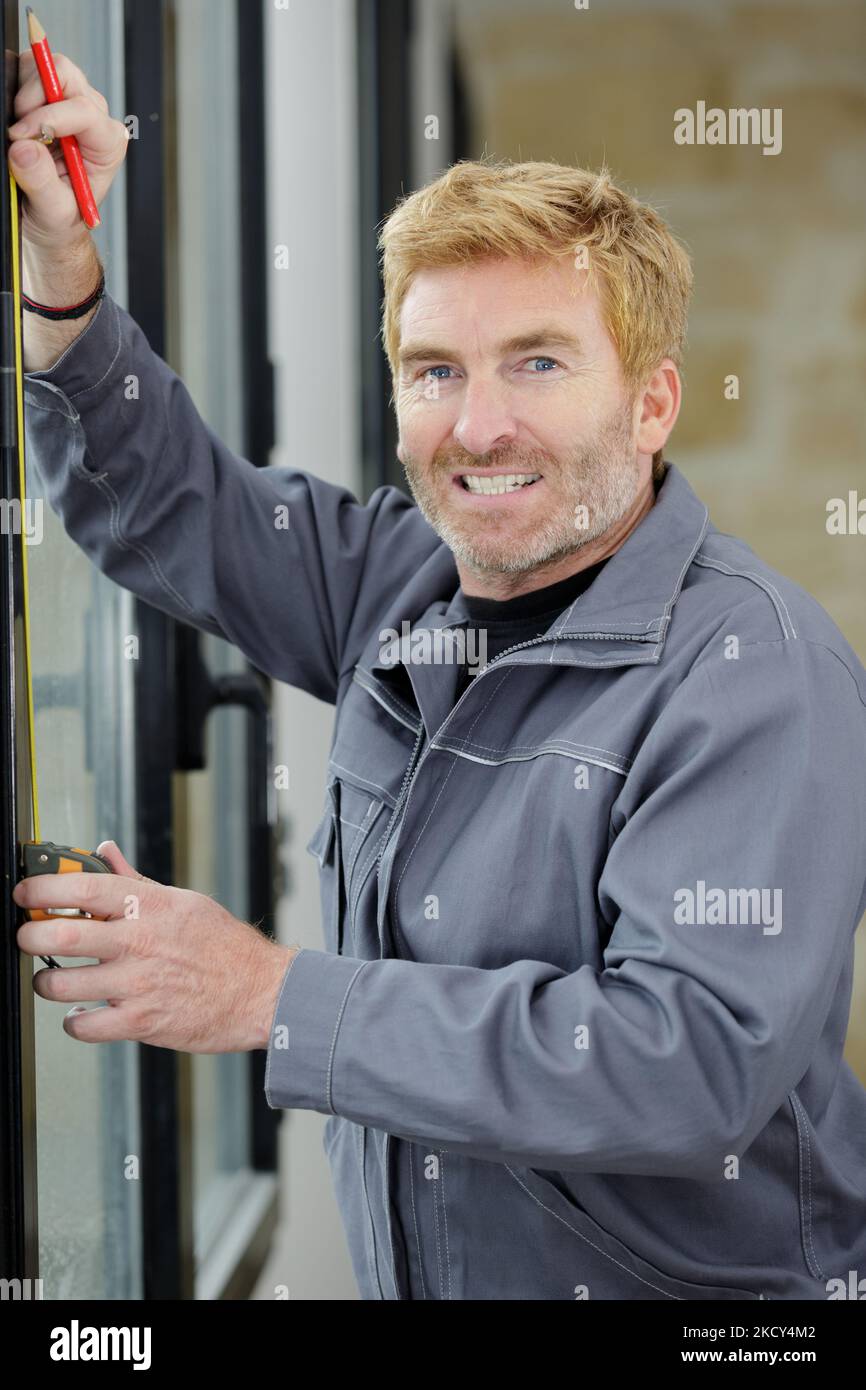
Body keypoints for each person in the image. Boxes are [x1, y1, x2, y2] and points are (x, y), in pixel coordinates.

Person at [9, 50, 866, 1302]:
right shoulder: (400, 587)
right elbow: (168, 498)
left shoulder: (753, 676)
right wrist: (66, 272)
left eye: (537, 362)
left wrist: (270, 996)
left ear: (650, 402)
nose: (476, 428)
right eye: (434, 370)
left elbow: (683, 1067)